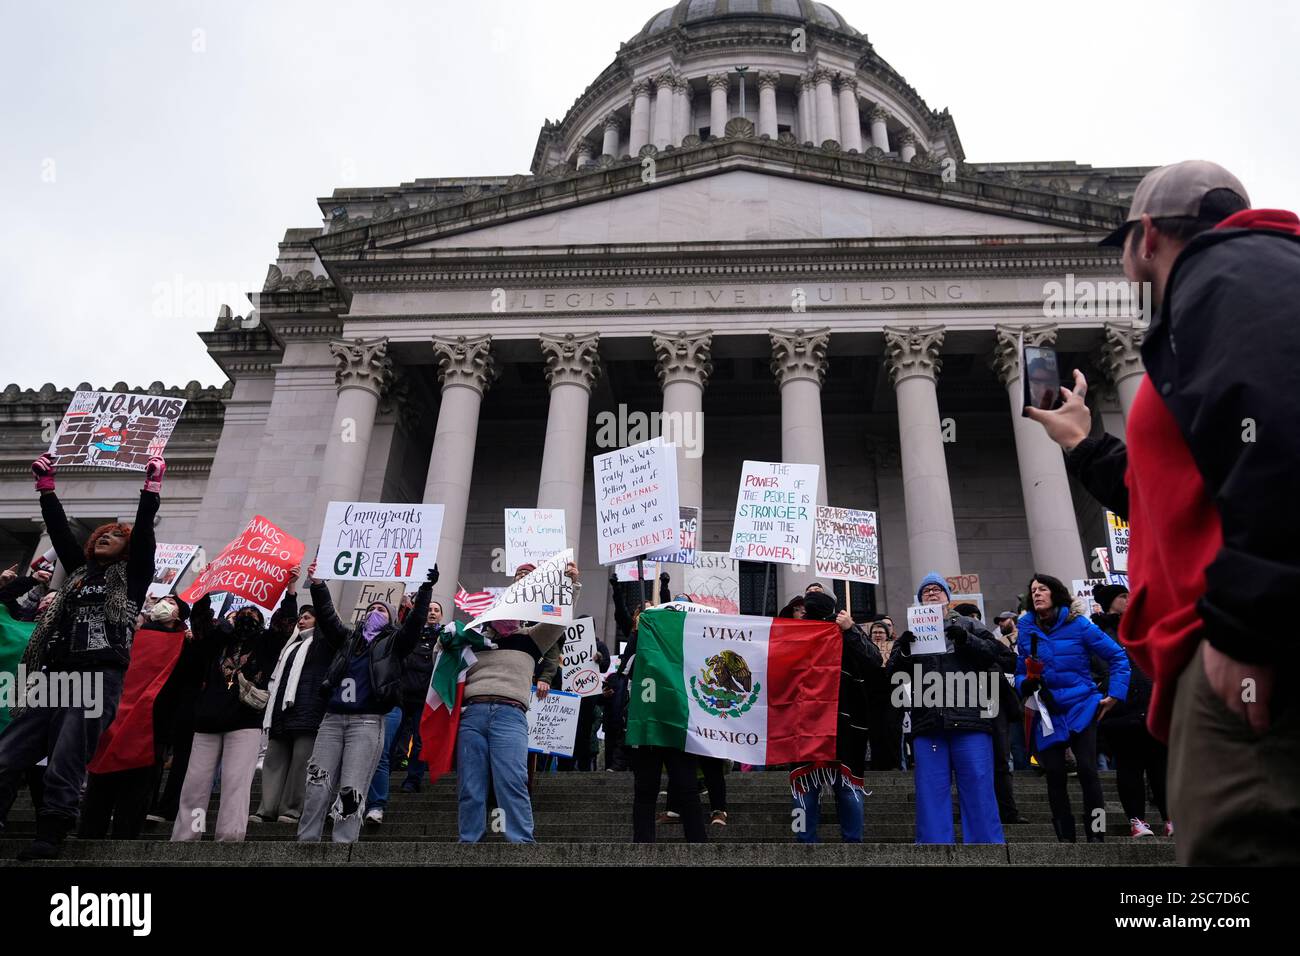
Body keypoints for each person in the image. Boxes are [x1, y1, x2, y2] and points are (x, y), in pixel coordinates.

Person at [1026, 160, 1300, 864]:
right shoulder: (1241, 286)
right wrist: (1087, 445)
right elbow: (1169, 497)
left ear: (1146, 237)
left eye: (1120, 246)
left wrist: (1247, 632)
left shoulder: (1235, 279)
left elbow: (1280, 435)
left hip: (1247, 662)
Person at [0, 453, 162, 860]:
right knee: (7, 753)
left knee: (66, 758)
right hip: (53, 673)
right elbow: (59, 534)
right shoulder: (76, 574)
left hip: (97, 677)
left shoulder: (132, 577)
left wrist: (151, 491)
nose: (106, 537)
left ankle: (51, 833)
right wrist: (47, 488)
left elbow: (144, 538)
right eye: (102, 534)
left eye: (116, 536)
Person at [440, 561, 578, 843]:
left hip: (510, 714)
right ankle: (468, 840)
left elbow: (559, 618)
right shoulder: (473, 640)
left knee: (513, 781)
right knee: (470, 785)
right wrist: (446, 640)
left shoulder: (532, 638)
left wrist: (570, 585)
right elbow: (441, 664)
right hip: (473, 715)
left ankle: (522, 842)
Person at [297, 562, 434, 843]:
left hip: (367, 722)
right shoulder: (347, 640)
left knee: (352, 788)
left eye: (382, 610)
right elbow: (326, 616)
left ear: (392, 619)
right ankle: (306, 841)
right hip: (332, 721)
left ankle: (343, 845)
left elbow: (415, 625)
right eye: (371, 608)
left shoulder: (395, 644)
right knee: (317, 784)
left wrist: (426, 590)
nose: (374, 612)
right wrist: (319, 584)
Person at [171, 575, 298, 843]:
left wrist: (291, 589)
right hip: (207, 721)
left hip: (245, 722)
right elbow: (201, 621)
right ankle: (188, 835)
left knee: (235, 784)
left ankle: (229, 837)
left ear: (262, 624)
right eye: (243, 611)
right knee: (195, 786)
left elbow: (285, 623)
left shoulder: (266, 645)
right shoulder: (217, 642)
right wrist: (205, 589)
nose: (247, 615)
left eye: (254, 614)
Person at [890, 573, 1005, 845]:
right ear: (920, 600)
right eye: (926, 591)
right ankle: (933, 845)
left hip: (969, 720)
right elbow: (894, 676)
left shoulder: (970, 624)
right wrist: (904, 651)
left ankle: (985, 845)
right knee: (930, 788)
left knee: (978, 784)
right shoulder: (912, 632)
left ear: (947, 597)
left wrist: (966, 639)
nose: (931, 593)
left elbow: (993, 655)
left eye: (937, 589)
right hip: (929, 725)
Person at [1015, 573, 1129, 843]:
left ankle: (1097, 833)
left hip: (1082, 705)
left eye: (1042, 589)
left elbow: (1118, 657)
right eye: (1033, 590)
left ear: (1056, 593)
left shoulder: (1079, 625)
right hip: (1047, 709)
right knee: (1054, 774)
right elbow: (1020, 670)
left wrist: (1114, 694)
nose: (1037, 594)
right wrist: (1024, 685)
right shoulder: (1027, 629)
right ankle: (1065, 839)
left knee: (1089, 770)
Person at [80, 594, 190, 839]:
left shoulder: (186, 644)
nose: (164, 604)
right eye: (162, 600)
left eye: (171, 602)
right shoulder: (129, 635)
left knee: (137, 789)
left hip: (152, 726)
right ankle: (89, 834)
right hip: (114, 717)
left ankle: (124, 837)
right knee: (101, 782)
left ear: (179, 615)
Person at [789, 589, 879, 843]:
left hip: (843, 723)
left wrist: (850, 630)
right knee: (802, 788)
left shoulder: (847, 630)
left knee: (846, 787)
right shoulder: (795, 633)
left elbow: (874, 659)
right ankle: (804, 841)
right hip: (805, 723)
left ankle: (852, 843)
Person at [1091, 583, 1171, 838]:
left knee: (1161, 768)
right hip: (1121, 713)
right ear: (1110, 602)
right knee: (1129, 768)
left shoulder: (1146, 628)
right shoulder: (1099, 633)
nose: (1129, 600)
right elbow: (1096, 667)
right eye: (1123, 596)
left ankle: (1171, 818)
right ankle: (1137, 820)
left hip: (1152, 708)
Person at [253, 596, 330, 824]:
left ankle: (292, 809)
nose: (301, 621)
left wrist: (317, 588)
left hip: (307, 713)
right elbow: (284, 618)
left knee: (300, 764)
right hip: (281, 713)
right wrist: (291, 591)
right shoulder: (290, 646)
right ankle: (267, 808)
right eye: (300, 618)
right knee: (274, 761)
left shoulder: (322, 644)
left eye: (307, 618)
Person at [394, 599, 446, 793]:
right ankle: (388, 771)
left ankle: (413, 779)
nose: (432, 612)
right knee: (392, 738)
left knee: (419, 741)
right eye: (429, 609)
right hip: (400, 696)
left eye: (436, 610)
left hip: (425, 698)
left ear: (441, 615)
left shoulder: (444, 638)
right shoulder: (410, 635)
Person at [865, 620, 900, 770]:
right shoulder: (865, 649)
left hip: (891, 695)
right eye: (875, 633)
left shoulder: (895, 650)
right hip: (871, 696)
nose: (878, 635)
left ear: (887, 635)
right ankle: (877, 764)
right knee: (875, 732)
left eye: (881, 632)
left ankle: (893, 764)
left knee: (890, 730)